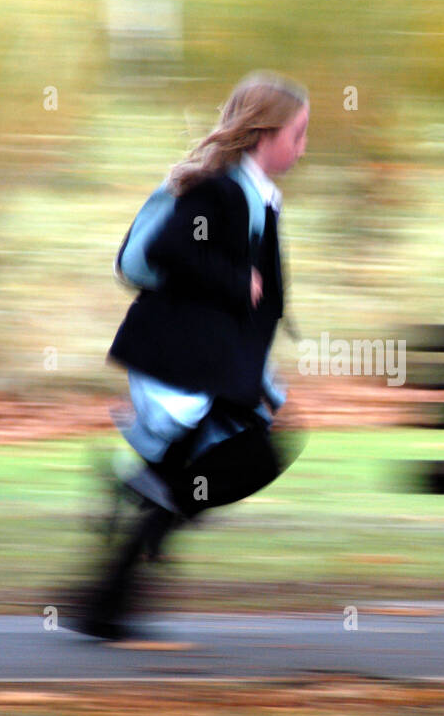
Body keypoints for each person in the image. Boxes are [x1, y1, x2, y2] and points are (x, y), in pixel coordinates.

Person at [73, 71, 309, 641]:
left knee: (190, 474)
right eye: (297, 134)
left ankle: (106, 605)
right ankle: (121, 568)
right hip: (185, 358)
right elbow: (169, 248)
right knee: (253, 454)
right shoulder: (220, 190)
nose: (303, 147)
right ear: (264, 134)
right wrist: (237, 282)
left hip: (215, 361)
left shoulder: (254, 195)